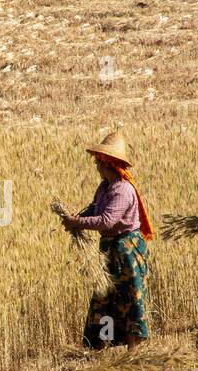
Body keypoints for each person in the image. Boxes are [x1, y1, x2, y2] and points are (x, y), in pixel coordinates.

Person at [59, 129, 154, 349]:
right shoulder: (105, 187)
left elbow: (106, 221)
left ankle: (133, 352)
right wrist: (76, 218)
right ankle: (103, 346)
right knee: (106, 299)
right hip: (109, 249)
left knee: (130, 299)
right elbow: (94, 210)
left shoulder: (122, 190)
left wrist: (77, 222)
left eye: (98, 162)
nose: (96, 166)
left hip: (126, 250)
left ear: (106, 163)